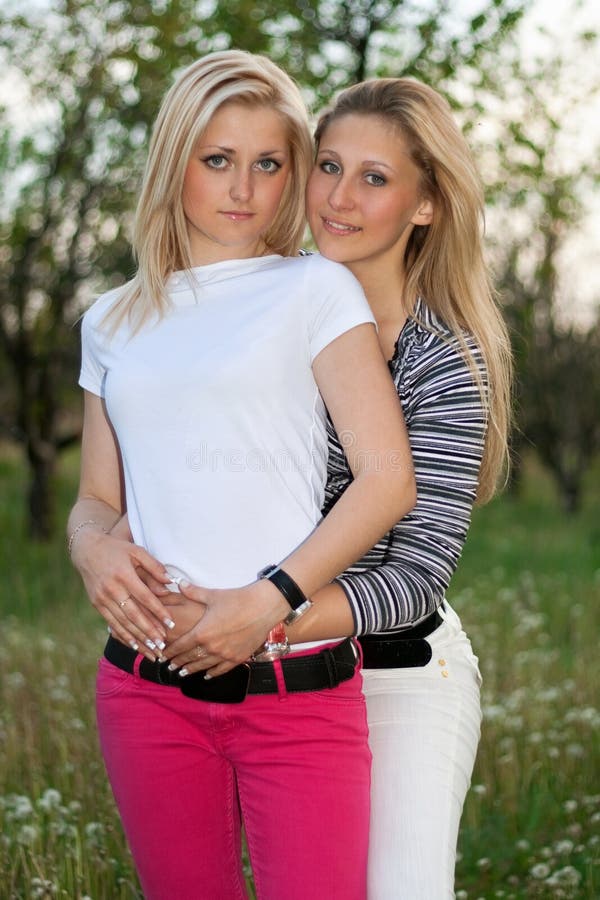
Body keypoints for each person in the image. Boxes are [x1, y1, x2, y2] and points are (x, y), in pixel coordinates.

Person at [147, 77, 512, 899]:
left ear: (426, 205)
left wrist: (261, 614)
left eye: (375, 179)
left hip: (392, 672)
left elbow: (416, 579)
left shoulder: (441, 368)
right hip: (253, 667)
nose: (339, 200)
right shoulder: (264, 307)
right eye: (330, 167)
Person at [67, 52, 417, 900]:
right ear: (174, 161)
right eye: (217, 159)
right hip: (148, 690)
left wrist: (269, 601)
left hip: (296, 691)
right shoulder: (112, 318)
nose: (244, 189)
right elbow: (96, 500)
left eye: (270, 164)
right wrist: (92, 552)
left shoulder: (316, 289)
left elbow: (386, 479)